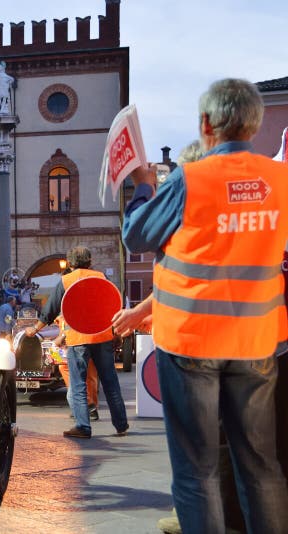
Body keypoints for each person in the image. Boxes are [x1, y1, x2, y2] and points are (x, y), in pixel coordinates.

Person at [123, 78, 288, 533]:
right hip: (257, 342)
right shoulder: (280, 180)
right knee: (261, 465)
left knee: (197, 471)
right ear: (254, 125)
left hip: (192, 342)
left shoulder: (190, 179)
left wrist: (142, 185)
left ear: (205, 124)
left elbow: (137, 236)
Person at [24, 246, 128, 439]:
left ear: (69, 263)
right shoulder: (102, 278)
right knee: (110, 381)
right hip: (102, 335)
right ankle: (121, 424)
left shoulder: (66, 280)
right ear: (90, 261)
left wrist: (35, 329)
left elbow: (51, 309)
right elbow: (112, 306)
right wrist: (117, 333)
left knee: (78, 383)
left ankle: (83, 426)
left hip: (78, 338)